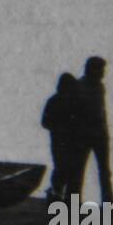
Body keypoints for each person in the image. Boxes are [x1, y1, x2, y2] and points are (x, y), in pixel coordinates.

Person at [74, 56, 113, 202]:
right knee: (79, 171)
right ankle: (75, 203)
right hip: (84, 135)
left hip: (100, 134)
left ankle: (108, 202)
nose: (103, 74)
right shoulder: (79, 86)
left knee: (105, 171)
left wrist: (105, 133)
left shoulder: (100, 87)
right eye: (101, 70)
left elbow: (102, 111)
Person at [40, 73, 82, 201]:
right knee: (66, 170)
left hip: (60, 141)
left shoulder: (54, 100)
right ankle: (58, 197)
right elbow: (45, 122)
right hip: (64, 141)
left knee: (61, 170)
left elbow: (45, 122)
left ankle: (55, 196)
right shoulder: (68, 101)